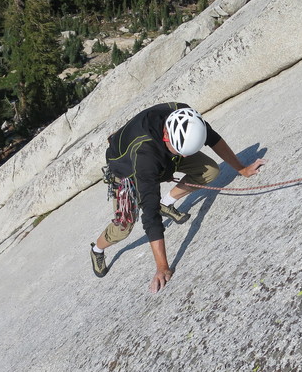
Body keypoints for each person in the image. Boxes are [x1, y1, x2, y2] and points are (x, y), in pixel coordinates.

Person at [90, 102, 264, 292]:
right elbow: (150, 216)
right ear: (167, 135)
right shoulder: (145, 157)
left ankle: (167, 202)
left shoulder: (187, 118)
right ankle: (97, 249)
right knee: (123, 227)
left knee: (210, 171)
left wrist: (243, 169)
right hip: (127, 170)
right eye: (182, 152)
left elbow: (214, 139)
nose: (188, 157)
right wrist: (162, 267)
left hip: (164, 153)